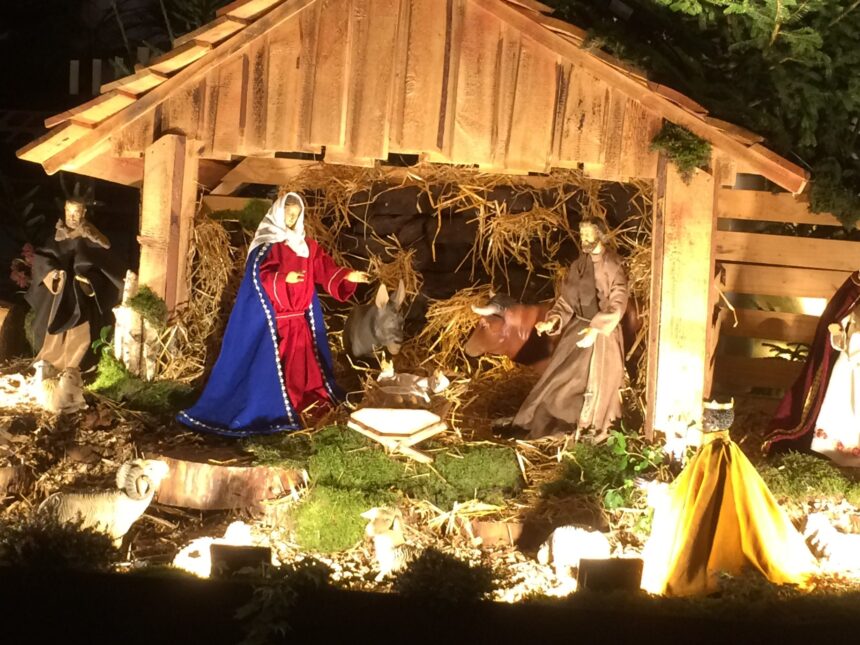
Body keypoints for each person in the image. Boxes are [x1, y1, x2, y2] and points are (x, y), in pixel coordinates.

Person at [178, 192, 369, 437]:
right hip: (276, 324)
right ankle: (279, 404)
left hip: (301, 321)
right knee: (278, 367)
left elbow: (323, 268)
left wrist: (346, 275)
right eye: (288, 214)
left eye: (296, 214)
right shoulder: (267, 246)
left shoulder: (306, 246)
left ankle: (303, 401)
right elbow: (259, 277)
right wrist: (283, 278)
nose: (291, 218)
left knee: (304, 366)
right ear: (279, 213)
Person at [640, 399, 816, 596]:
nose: (702, 422)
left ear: (713, 422)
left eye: (705, 419)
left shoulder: (713, 453)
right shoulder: (729, 451)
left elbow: (700, 491)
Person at [512, 218, 628, 441]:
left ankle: (587, 426)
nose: (584, 239)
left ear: (600, 235)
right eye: (581, 235)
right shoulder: (579, 265)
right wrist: (553, 320)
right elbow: (567, 301)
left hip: (601, 336)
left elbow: (618, 300)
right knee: (556, 380)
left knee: (593, 384)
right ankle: (549, 420)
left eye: (588, 235)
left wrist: (596, 329)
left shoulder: (612, 265)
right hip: (577, 330)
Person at [763, 271, 860, 462]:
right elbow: (840, 318)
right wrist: (837, 333)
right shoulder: (855, 287)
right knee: (844, 407)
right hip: (849, 365)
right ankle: (838, 453)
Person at [25, 198, 123, 371]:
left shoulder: (91, 237)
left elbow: (106, 264)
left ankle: (79, 362)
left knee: (82, 334)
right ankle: (51, 358)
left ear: (84, 213)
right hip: (59, 296)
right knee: (52, 325)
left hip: (83, 298)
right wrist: (52, 274)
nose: (71, 217)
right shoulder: (57, 236)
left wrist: (90, 282)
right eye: (69, 212)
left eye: (76, 212)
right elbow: (44, 258)